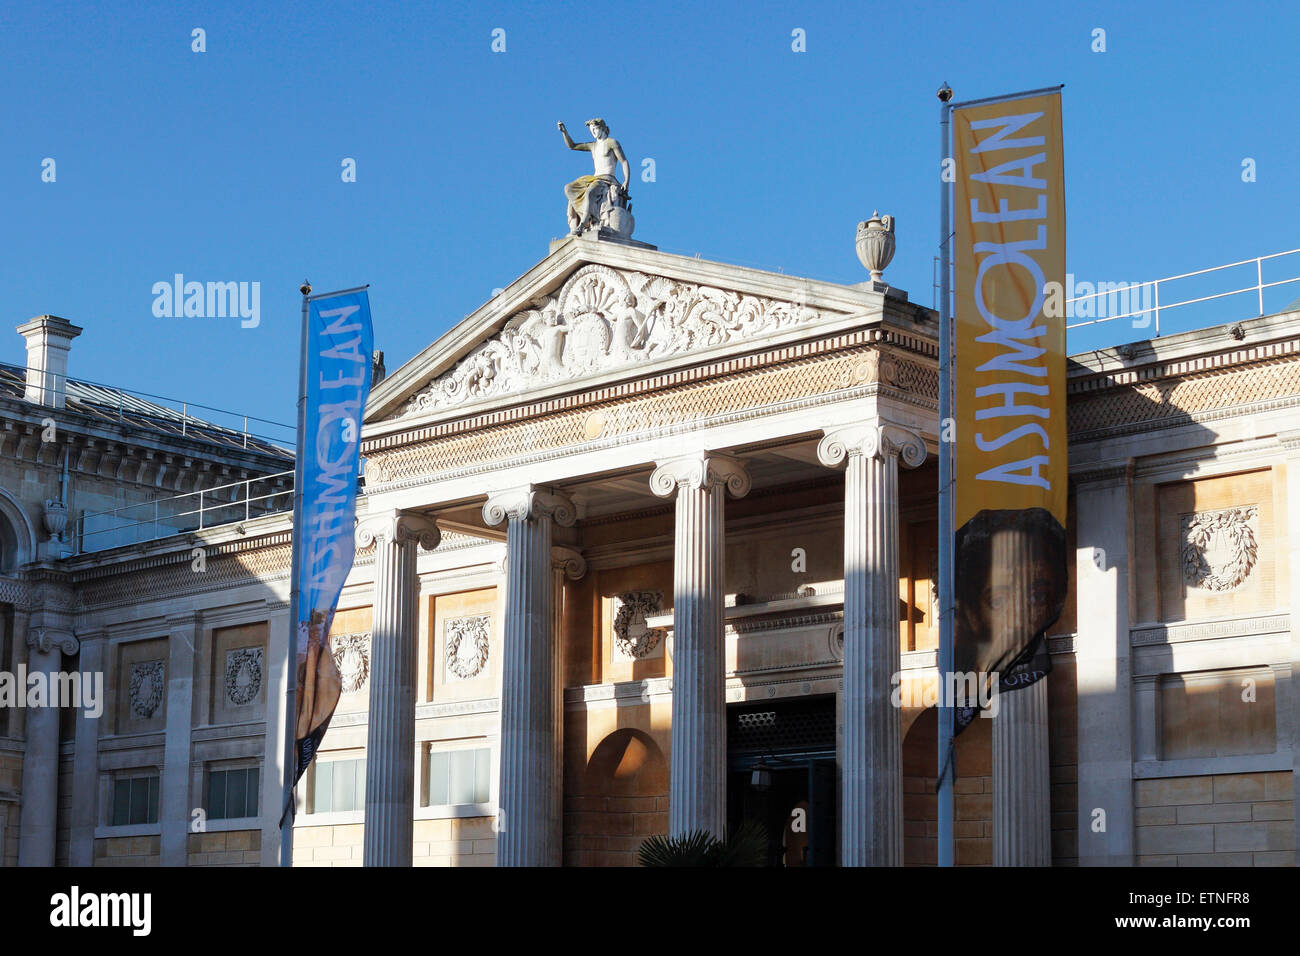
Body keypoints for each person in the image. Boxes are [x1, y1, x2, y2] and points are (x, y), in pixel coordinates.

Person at [557, 117, 631, 234]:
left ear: (602, 128)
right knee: (568, 188)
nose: (593, 132)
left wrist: (626, 180)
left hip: (607, 179)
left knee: (590, 192)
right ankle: (587, 218)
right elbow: (572, 146)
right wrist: (564, 132)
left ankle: (583, 223)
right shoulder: (593, 145)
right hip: (594, 178)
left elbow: (624, 161)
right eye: (591, 130)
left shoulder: (612, 143)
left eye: (595, 129)